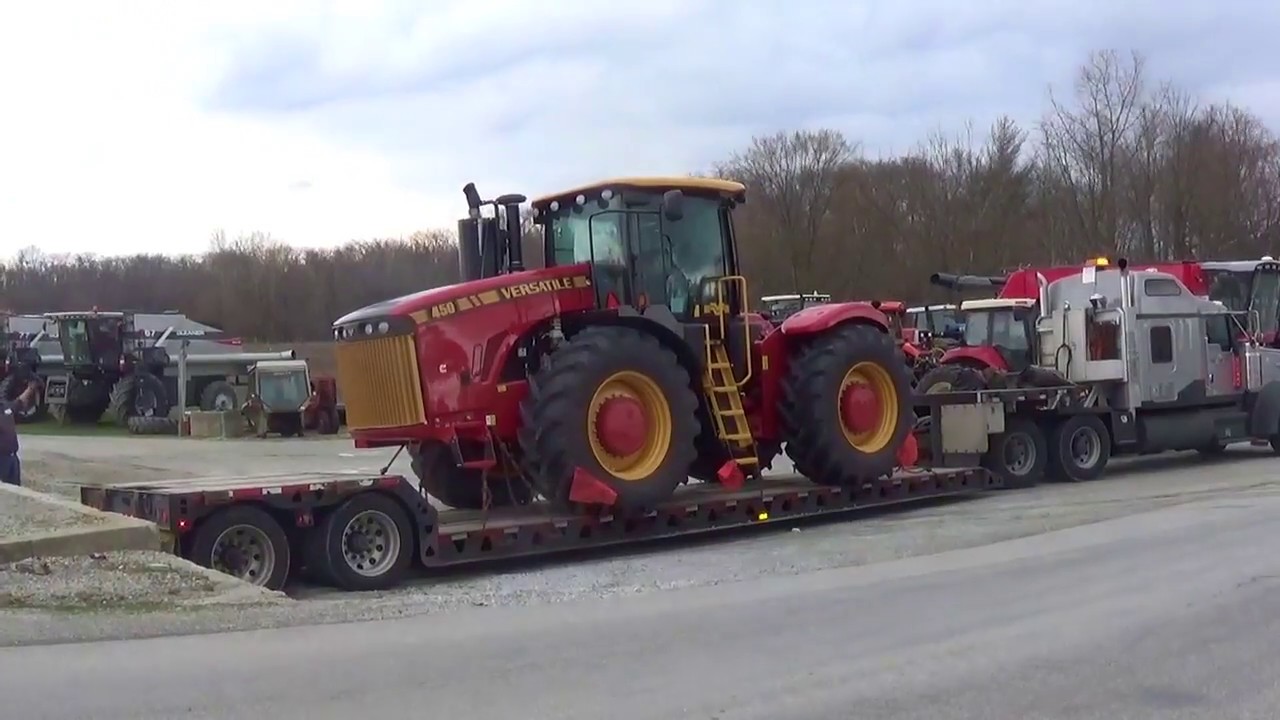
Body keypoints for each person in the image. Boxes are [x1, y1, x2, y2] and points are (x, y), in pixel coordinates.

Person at [0, 379, 40, 486]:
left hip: (13, 458)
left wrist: (30, 389)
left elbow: (19, 401)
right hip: (1, 458)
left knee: (15, 488)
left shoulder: (6, 408)